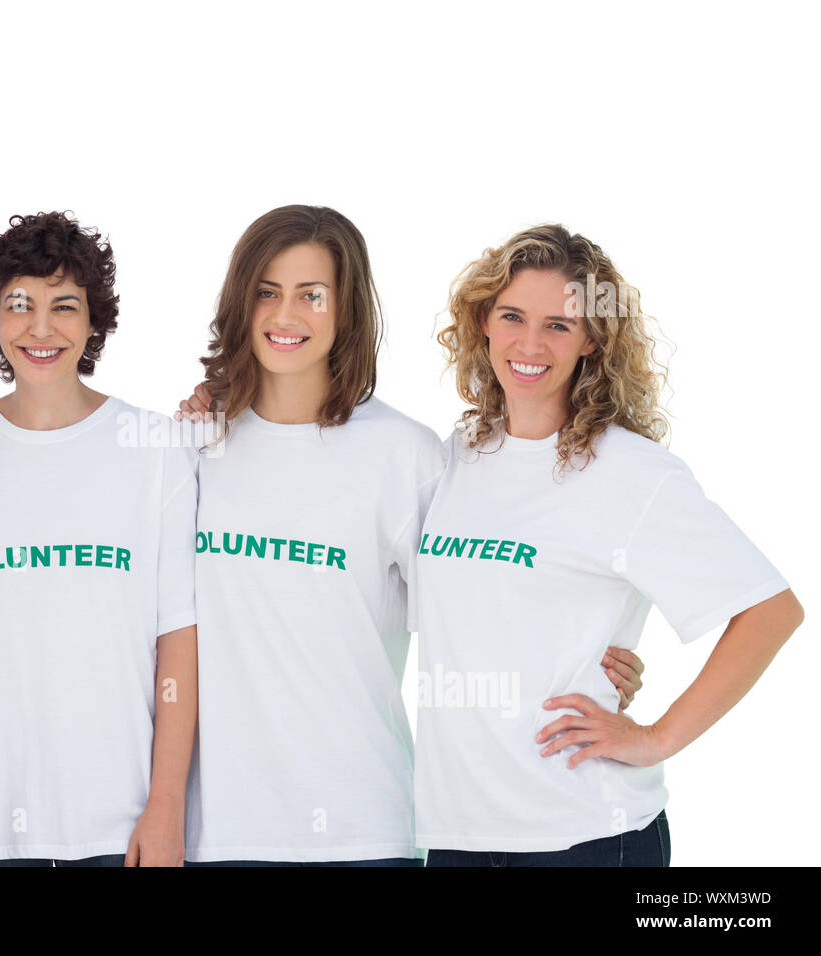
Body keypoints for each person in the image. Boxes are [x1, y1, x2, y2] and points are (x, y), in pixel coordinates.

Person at [174, 206, 644, 865]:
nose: (287, 316)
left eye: (313, 295)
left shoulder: (408, 457)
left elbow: (487, 600)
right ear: (240, 303)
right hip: (211, 834)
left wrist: (595, 653)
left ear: (347, 312)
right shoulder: (189, 446)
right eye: (267, 292)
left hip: (368, 829)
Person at [414, 224, 803, 866]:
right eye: (512, 316)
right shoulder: (456, 457)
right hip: (458, 834)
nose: (530, 343)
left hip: (585, 833)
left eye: (559, 325)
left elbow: (771, 610)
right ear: (483, 321)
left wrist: (656, 737)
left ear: (592, 337)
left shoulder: (633, 474)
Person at [0, 212, 198, 866]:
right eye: (19, 305)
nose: (40, 328)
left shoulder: (154, 450)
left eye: (64, 306)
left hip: (122, 832)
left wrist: (166, 805)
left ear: (94, 321)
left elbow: (177, 640)